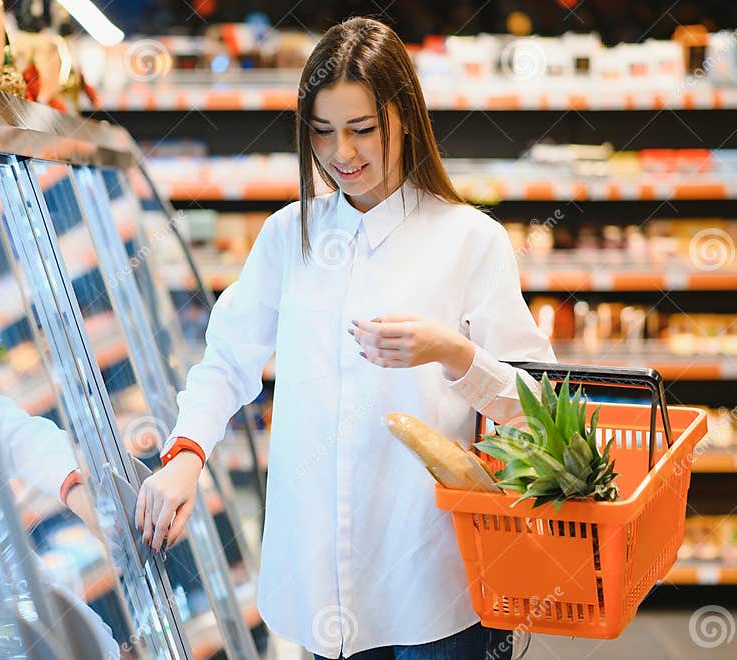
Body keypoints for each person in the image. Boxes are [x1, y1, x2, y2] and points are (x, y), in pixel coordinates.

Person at [134, 16, 554, 660]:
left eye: (363, 130)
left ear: (405, 119)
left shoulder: (469, 240)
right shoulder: (286, 236)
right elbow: (227, 360)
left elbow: (540, 404)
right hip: (318, 586)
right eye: (323, 133)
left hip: (435, 585)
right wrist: (186, 453)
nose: (342, 155)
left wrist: (455, 354)